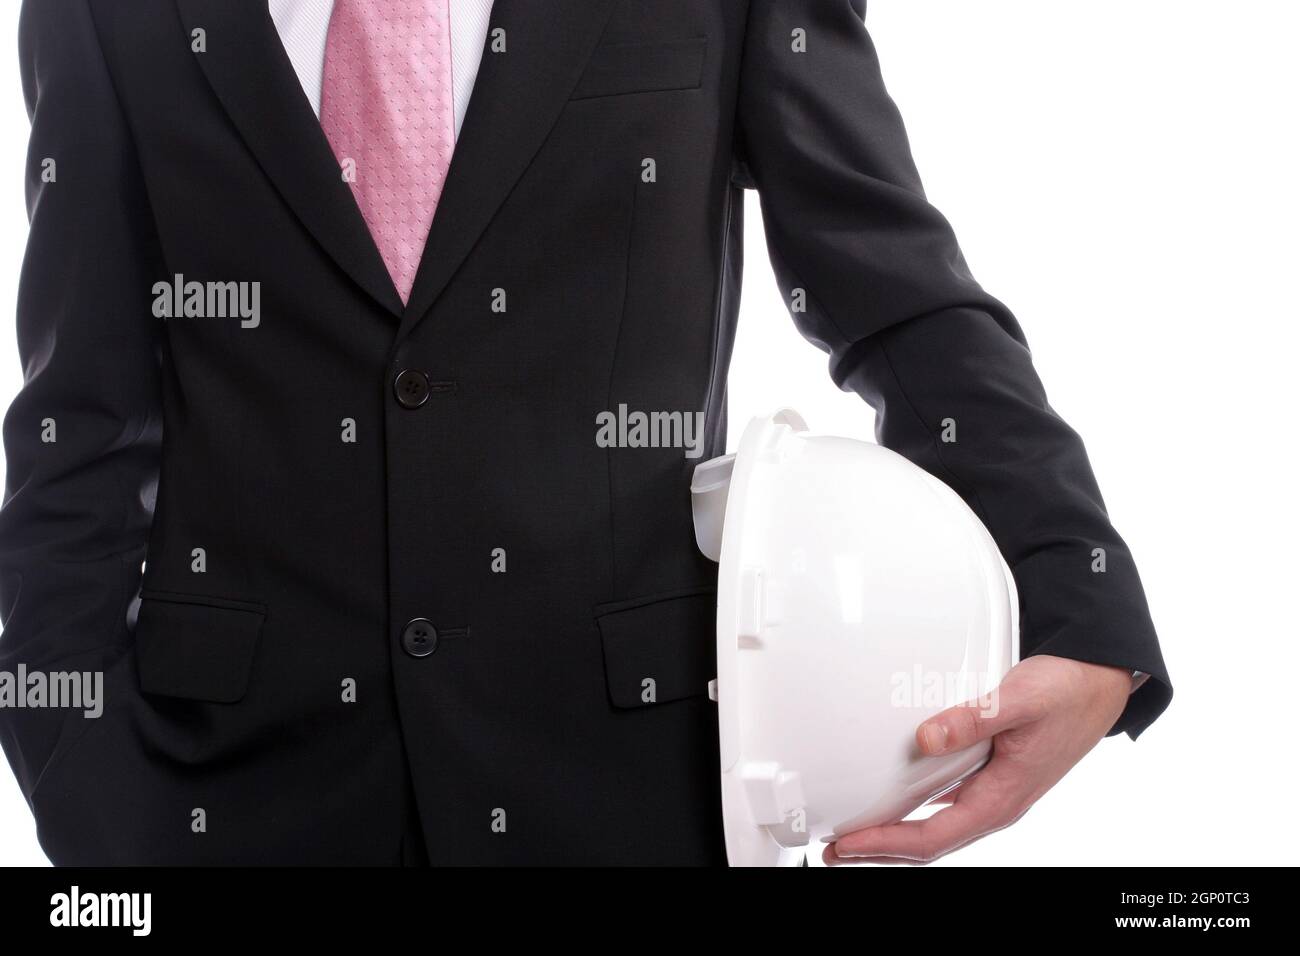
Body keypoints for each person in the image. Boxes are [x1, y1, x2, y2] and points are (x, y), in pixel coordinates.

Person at [0, 0, 1170, 866]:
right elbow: (80, 420)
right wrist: (81, 784)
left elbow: (890, 290)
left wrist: (1080, 601)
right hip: (222, 796)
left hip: (632, 788)